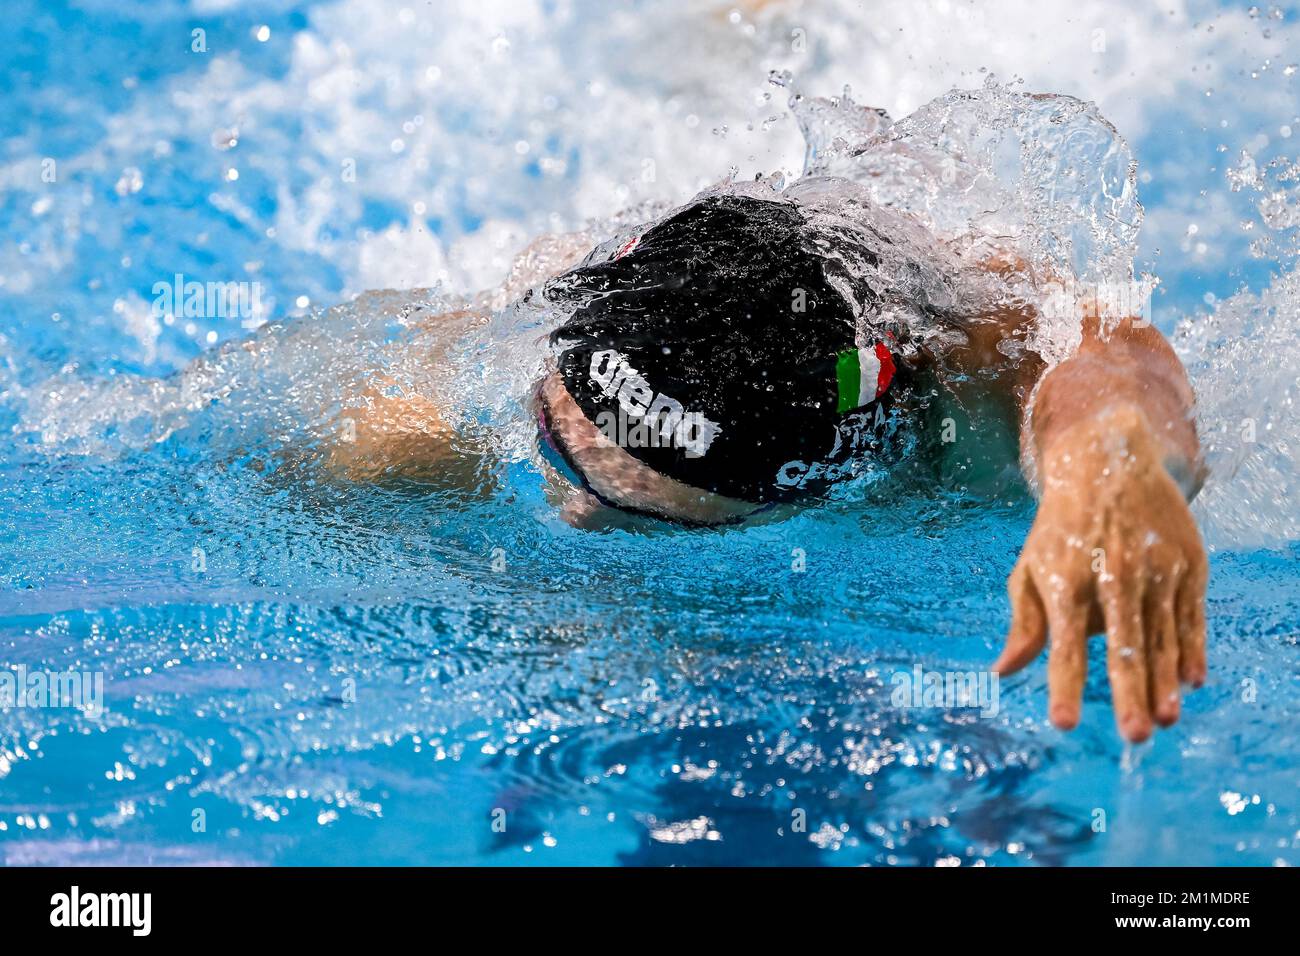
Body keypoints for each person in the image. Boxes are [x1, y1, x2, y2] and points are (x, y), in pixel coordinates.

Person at [326, 187, 1208, 744]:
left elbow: (1105, 365)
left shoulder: (972, 378)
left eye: (657, 518)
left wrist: (1111, 468)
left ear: (799, 492)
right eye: (552, 442)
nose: (577, 517)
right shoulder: (573, 308)